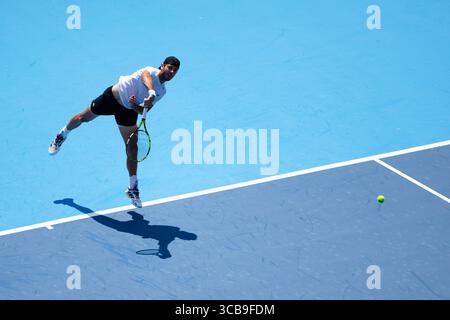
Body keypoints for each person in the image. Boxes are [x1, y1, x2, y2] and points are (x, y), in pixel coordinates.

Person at [48, 56, 180, 208]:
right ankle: (62, 135)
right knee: (83, 117)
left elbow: (144, 110)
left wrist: (136, 104)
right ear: (162, 66)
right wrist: (151, 92)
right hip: (111, 98)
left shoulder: (162, 91)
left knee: (133, 147)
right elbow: (145, 76)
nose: (172, 72)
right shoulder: (150, 71)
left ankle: (133, 187)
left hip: (128, 109)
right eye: (170, 68)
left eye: (175, 71)